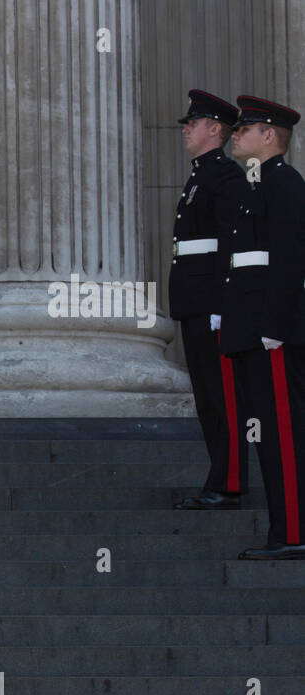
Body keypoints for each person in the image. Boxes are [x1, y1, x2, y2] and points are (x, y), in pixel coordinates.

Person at [223, 96, 305, 558]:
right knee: (268, 436)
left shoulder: (283, 183)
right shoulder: (256, 185)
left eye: (246, 128)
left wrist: (274, 326)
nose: (237, 134)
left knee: (283, 435)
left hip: (271, 335)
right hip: (252, 332)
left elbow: (290, 261)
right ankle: (285, 530)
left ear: (269, 135)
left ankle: (293, 534)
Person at [170, 90, 248, 511]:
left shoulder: (225, 177)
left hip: (211, 304)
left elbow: (228, 245)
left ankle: (229, 482)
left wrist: (222, 304)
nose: (186, 129)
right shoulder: (202, 174)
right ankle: (220, 476)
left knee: (222, 396)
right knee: (207, 396)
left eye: (193, 123)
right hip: (195, 300)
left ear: (214, 130)